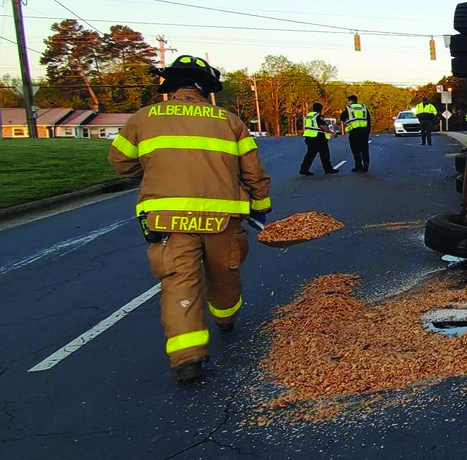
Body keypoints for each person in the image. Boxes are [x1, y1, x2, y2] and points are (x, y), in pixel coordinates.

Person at [108, 55, 271, 384]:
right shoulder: (228, 121)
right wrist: (260, 205)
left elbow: (120, 162)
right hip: (222, 220)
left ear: (171, 84)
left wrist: (154, 170)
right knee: (224, 276)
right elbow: (253, 171)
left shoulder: (143, 119)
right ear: (205, 87)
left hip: (168, 223)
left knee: (178, 284)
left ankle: (187, 359)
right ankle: (225, 320)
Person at [300, 101, 338, 175]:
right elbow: (322, 126)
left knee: (310, 154)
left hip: (309, 137)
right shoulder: (318, 116)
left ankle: (304, 169)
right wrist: (332, 132)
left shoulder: (309, 115)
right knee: (324, 154)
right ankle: (328, 169)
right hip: (318, 137)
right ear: (320, 109)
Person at [340, 94, 371, 172]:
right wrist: (368, 131)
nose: (347, 103)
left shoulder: (349, 108)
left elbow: (342, 117)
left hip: (354, 131)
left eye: (348, 101)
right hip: (364, 131)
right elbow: (369, 120)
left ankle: (358, 165)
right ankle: (366, 163)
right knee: (364, 148)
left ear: (350, 101)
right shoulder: (363, 107)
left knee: (355, 149)